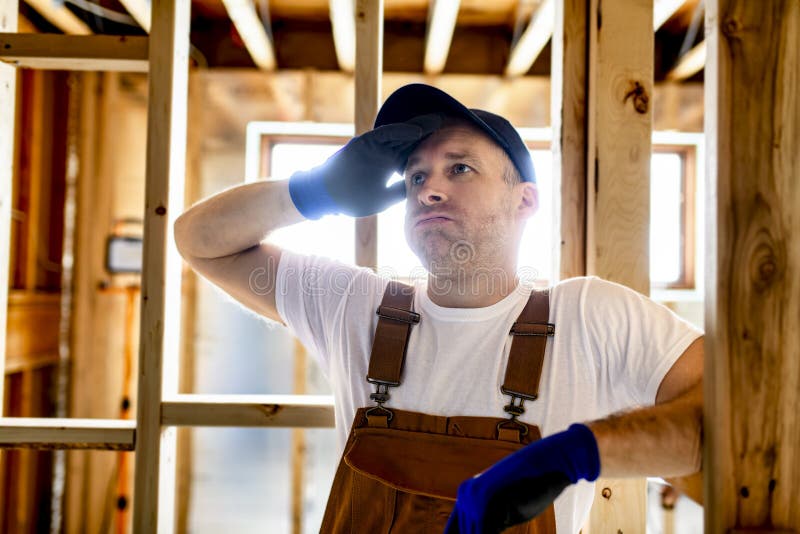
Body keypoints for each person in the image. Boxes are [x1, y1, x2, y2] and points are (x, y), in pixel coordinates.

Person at [174, 83, 704, 533]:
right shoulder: (355, 307)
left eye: (461, 169)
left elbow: (719, 415)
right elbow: (198, 239)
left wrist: (576, 455)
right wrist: (316, 191)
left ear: (524, 201)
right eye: (416, 177)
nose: (429, 190)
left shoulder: (589, 316)